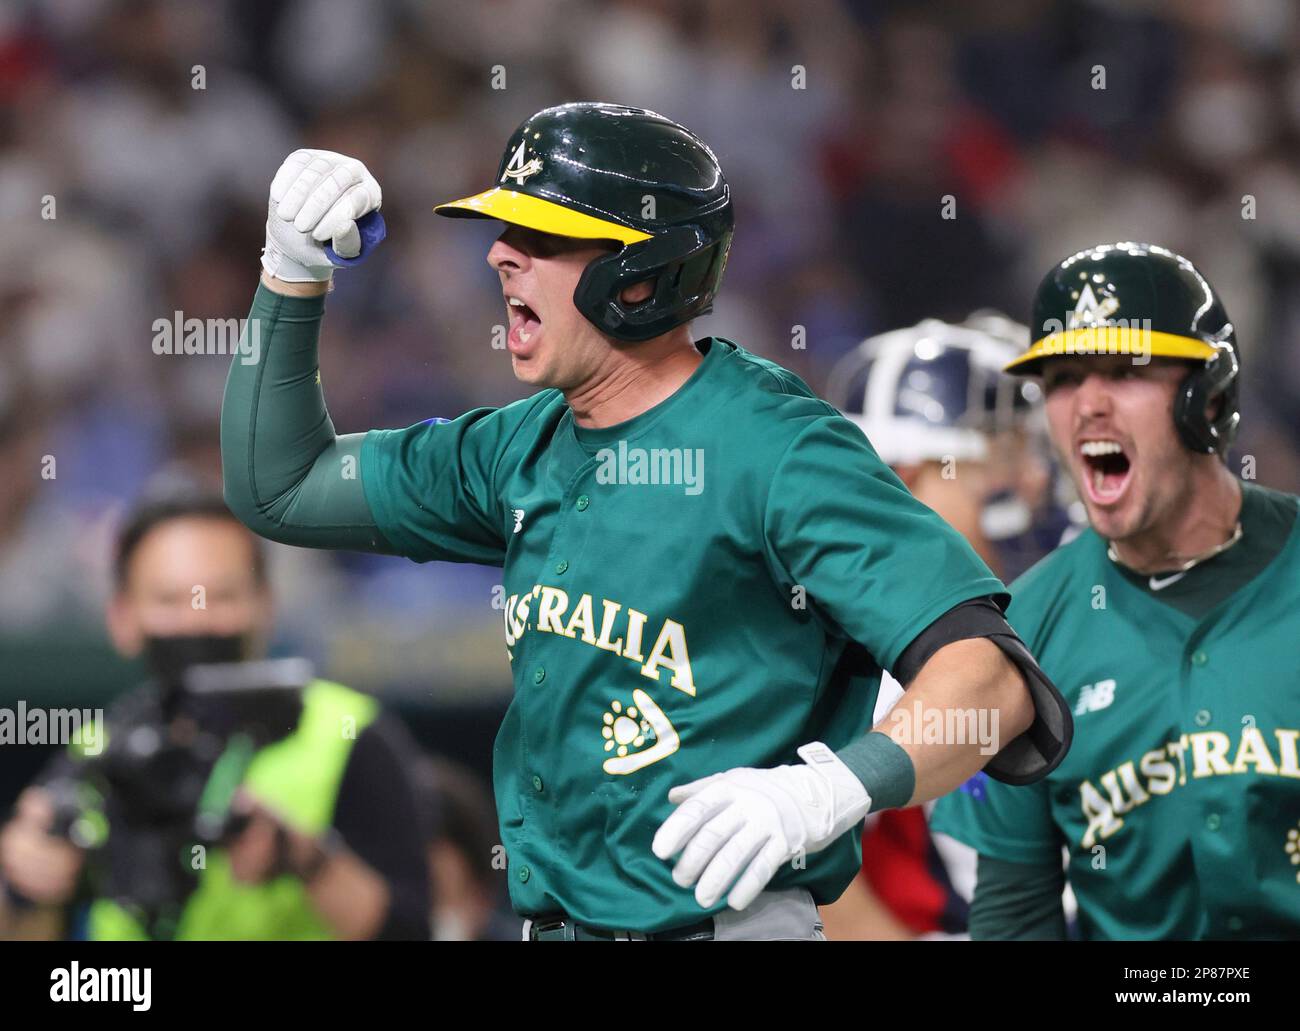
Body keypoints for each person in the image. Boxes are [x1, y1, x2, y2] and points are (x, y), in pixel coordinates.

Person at [222, 101, 1071, 941]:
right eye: (504, 232)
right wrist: (289, 275)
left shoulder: (778, 450)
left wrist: (829, 789)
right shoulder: (516, 448)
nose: (499, 255)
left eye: (541, 237)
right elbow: (281, 485)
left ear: (641, 273)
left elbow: (992, 683)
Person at [931, 241, 1300, 940]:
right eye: (1064, 379)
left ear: (1208, 396)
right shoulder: (1024, 630)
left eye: (1126, 370)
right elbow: (1015, 909)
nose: (1088, 405)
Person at [0, 487, 429, 940]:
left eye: (222, 596)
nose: (197, 621)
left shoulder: (349, 734)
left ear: (266, 604)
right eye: (169, 601)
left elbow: (410, 928)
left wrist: (305, 859)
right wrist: (22, 879)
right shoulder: (99, 748)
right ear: (122, 617)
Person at [819, 313, 1052, 939]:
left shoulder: (1048, 594)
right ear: (908, 473)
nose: (1030, 481)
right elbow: (808, 883)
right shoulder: (860, 643)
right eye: (1001, 453)